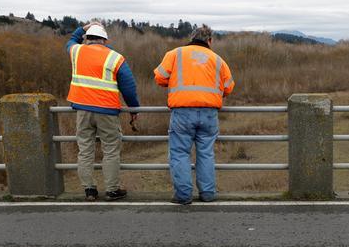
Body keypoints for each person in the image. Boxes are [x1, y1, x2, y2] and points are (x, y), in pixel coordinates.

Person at [153, 24, 234, 204]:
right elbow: (228, 87)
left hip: (182, 112)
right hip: (209, 113)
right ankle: (208, 194)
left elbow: (160, 77)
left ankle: (183, 196)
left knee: (180, 153)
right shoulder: (218, 60)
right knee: (206, 153)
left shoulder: (175, 54)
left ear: (192, 38)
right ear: (210, 41)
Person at [66, 21, 140, 201]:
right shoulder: (115, 57)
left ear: (86, 39)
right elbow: (129, 88)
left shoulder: (76, 51)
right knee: (111, 150)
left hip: (82, 110)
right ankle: (112, 190)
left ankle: (89, 190)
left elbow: (71, 40)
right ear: (105, 41)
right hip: (107, 110)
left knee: (85, 150)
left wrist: (83, 27)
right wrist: (133, 108)